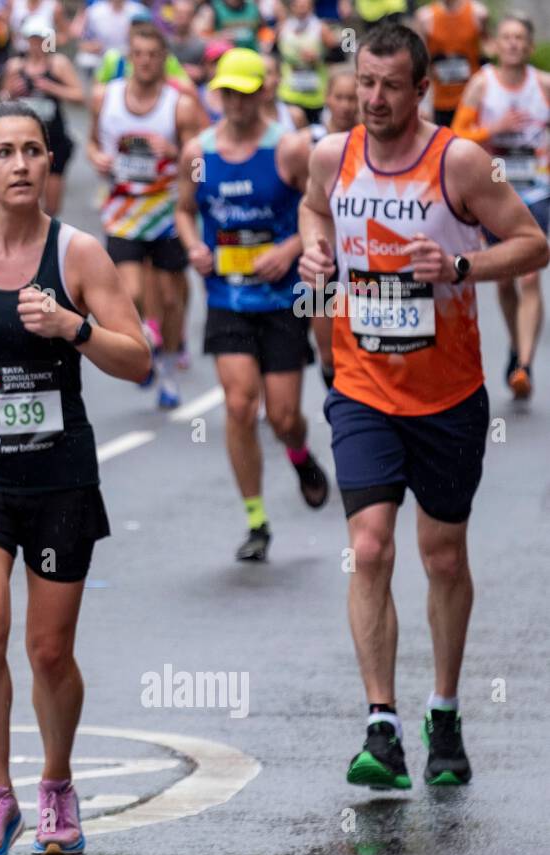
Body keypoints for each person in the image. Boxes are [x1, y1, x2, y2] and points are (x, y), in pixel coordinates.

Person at [298, 22, 548, 789]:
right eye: (364, 83)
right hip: (363, 387)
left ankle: (444, 711)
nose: (372, 99)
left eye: (389, 87)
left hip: (448, 394)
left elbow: (533, 244)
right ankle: (382, 724)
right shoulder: (331, 156)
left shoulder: (462, 163)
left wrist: (462, 264)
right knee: (370, 546)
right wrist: (316, 259)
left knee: (441, 555)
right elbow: (314, 212)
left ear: (420, 89)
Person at [0, 101, 149, 855]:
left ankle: (55, 783)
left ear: (50, 163)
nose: (21, 164)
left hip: (59, 477)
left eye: (33, 151)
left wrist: (72, 329)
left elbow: (138, 357)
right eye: (5, 152)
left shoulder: (79, 253)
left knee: (50, 651)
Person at [176, 48, 330, 563]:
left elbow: (319, 212)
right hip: (228, 298)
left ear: (262, 92)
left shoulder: (288, 149)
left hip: (283, 299)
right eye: (227, 93)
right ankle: (257, 521)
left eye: (245, 92)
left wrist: (289, 248)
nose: (235, 103)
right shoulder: (198, 152)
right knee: (240, 405)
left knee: (284, 416)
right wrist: (193, 246)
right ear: (216, 94)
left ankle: (300, 454)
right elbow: (180, 209)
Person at [89, 22, 208, 409]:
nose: (145, 62)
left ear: (164, 60)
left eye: (153, 55)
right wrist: (97, 156)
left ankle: (169, 372)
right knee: (134, 292)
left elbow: (203, 162)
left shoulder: (181, 104)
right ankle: (148, 342)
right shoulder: (105, 98)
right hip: (123, 211)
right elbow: (93, 141)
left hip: (168, 212)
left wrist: (174, 153)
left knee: (171, 299)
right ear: (129, 57)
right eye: (138, 54)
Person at [452, 12, 550, 400]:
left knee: (529, 275)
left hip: (537, 191)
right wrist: (494, 129)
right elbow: (458, 136)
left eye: (519, 38)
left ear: (528, 46)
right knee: (505, 278)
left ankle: (524, 363)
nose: (512, 44)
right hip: (494, 192)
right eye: (506, 37)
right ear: (496, 43)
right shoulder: (481, 85)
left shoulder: (543, 85)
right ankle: (514, 343)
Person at [306, 68, 360, 388]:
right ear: (327, 99)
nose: (346, 105)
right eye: (340, 97)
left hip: (360, 253)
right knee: (327, 352)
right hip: (322, 254)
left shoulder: (374, 142)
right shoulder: (307, 142)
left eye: (352, 98)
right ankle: (334, 390)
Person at [0, 18, 82, 216]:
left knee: (51, 206)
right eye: (33, 40)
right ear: (26, 40)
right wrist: (11, 93)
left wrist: (52, 88)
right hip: (21, 139)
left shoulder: (58, 64)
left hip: (53, 138)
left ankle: (45, 239)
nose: (37, 45)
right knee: (24, 199)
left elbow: (79, 96)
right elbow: (0, 101)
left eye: (41, 39)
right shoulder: (15, 66)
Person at [416, 0, 488, 128]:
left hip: (472, 99)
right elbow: (421, 62)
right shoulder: (425, 17)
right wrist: (422, 102)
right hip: (441, 101)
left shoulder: (478, 13)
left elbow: (488, 51)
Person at [277, 0, 336, 126]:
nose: (301, 10)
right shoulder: (283, 27)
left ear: (311, 7)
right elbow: (275, 54)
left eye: (305, 6)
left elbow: (339, 54)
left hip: (315, 94)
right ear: (292, 7)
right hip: (290, 92)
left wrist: (318, 58)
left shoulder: (321, 28)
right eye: (298, 6)